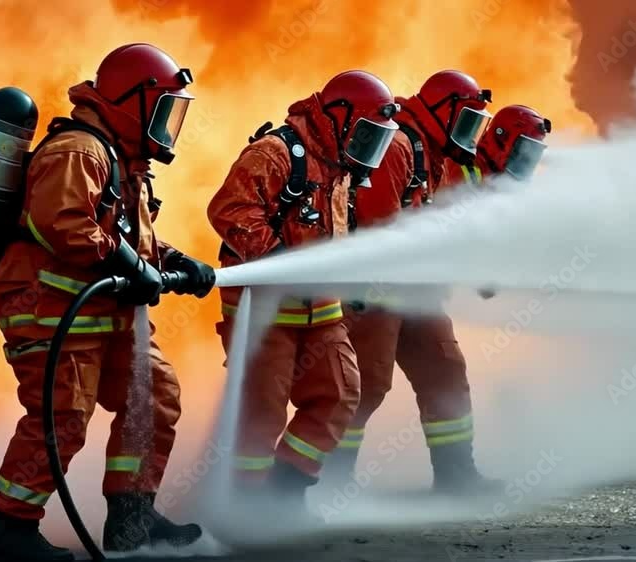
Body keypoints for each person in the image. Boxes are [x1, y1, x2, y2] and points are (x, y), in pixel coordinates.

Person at [0, 43, 215, 562]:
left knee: (153, 394)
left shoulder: (122, 161)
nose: (168, 125)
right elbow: (62, 221)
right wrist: (133, 268)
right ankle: (11, 529)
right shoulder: (79, 152)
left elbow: (131, 237)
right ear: (133, 101)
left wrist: (177, 261)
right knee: (62, 413)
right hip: (50, 308)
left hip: (104, 316)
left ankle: (132, 519)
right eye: (163, 110)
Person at [207, 70, 399, 522]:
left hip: (322, 312)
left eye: (378, 139)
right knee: (262, 415)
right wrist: (278, 260)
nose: (369, 148)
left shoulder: (340, 169)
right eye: (366, 135)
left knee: (342, 395)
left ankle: (286, 492)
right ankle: (246, 510)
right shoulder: (274, 154)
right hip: (264, 314)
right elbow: (228, 210)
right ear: (338, 118)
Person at [325, 70, 501, 494]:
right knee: (366, 385)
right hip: (376, 291)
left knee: (445, 370)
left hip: (415, 290)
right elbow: (381, 226)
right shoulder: (400, 145)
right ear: (442, 112)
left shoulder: (438, 154)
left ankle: (458, 477)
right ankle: (329, 482)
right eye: (466, 123)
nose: (470, 135)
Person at [443, 104, 552, 186]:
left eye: (534, 150)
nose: (526, 159)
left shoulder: (504, 179)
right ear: (500, 137)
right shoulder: (463, 171)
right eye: (524, 148)